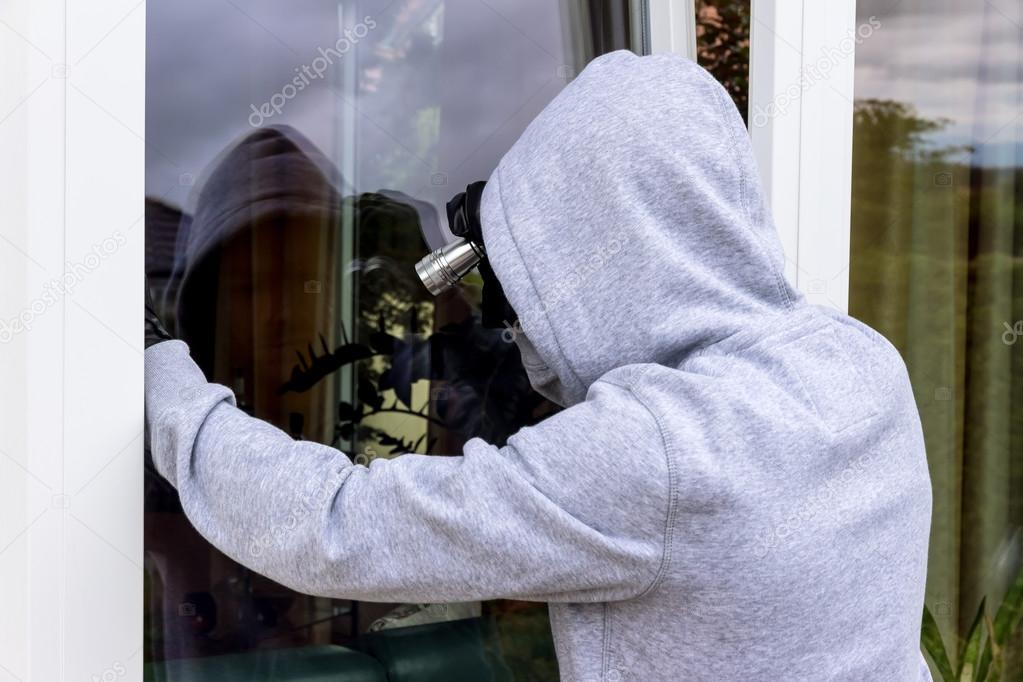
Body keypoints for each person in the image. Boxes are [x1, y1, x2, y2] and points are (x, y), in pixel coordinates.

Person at [145, 51, 933, 680]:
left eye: (532, 274)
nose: (521, 317)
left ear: (591, 256)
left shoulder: (655, 452)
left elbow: (333, 526)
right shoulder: (856, 362)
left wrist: (158, 374)